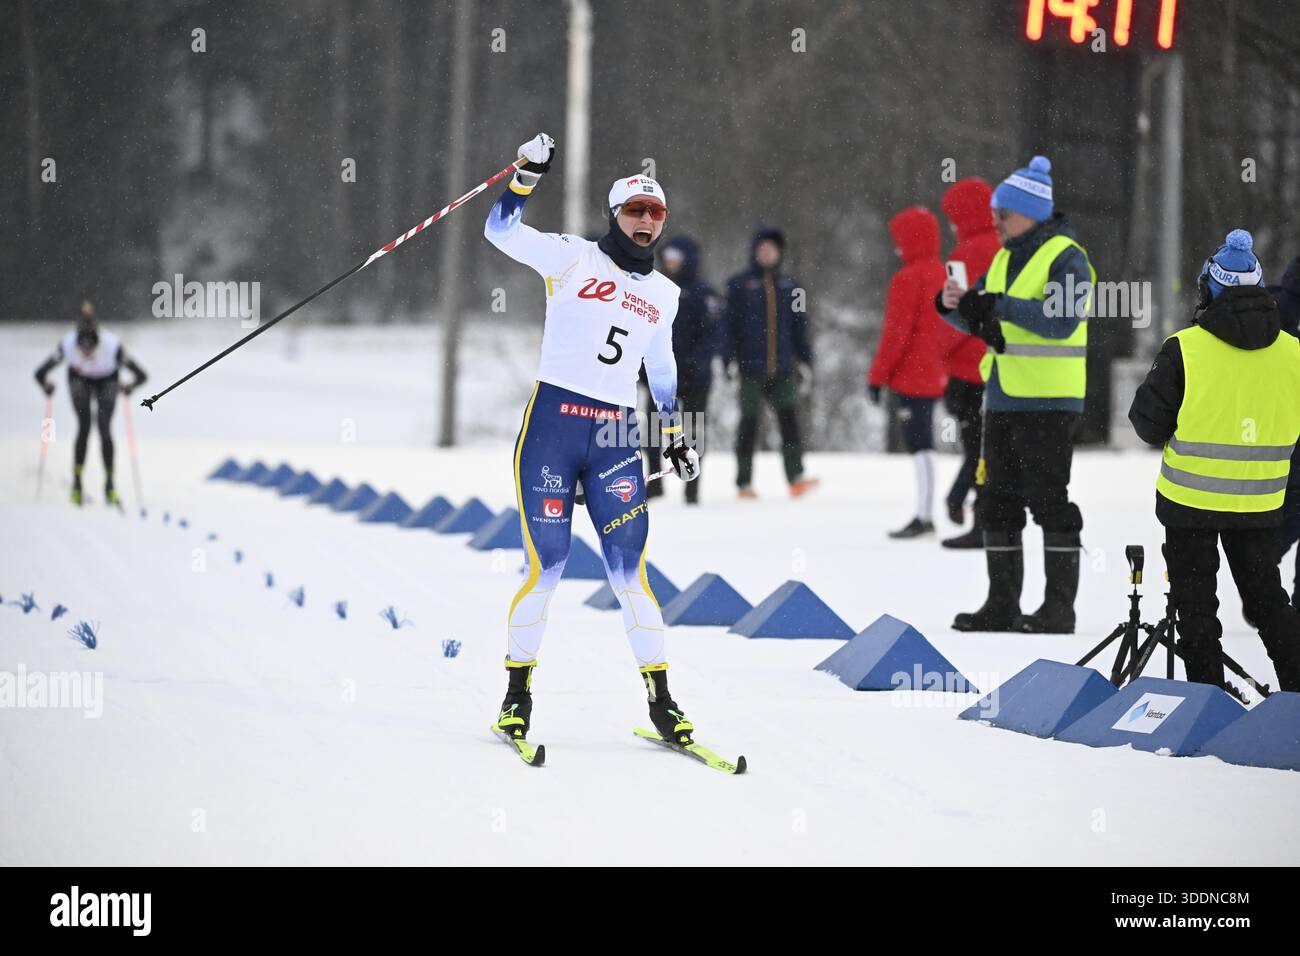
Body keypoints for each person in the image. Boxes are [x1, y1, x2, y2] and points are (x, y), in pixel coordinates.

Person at [483, 133, 701, 750]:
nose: (646, 222)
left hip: (614, 436)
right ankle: (516, 697)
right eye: (635, 211)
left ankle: (663, 703)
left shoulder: (665, 294)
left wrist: (675, 432)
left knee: (630, 574)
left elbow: (660, 370)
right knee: (548, 567)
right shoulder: (571, 258)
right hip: (552, 427)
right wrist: (526, 175)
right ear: (614, 215)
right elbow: (501, 231)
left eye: (656, 213)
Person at [1129, 229, 1300, 692]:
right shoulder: (1294, 353)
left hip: (1190, 503)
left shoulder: (1185, 349)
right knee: (1269, 601)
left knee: (1196, 607)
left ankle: (1207, 701)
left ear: (1209, 288)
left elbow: (1146, 424)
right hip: (1261, 504)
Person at [936, 156, 1094, 633]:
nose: (996, 222)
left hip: (1049, 401)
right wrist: (955, 307)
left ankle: (1057, 610)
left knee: (1049, 501)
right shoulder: (1004, 258)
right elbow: (983, 314)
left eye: (1002, 213)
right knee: (996, 502)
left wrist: (997, 305)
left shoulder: (1068, 257)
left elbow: (1061, 319)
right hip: (1003, 397)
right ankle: (1001, 605)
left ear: (1029, 212)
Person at [867, 206, 948, 538]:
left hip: (911, 374)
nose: (897, 248)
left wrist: (877, 376)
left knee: (919, 444)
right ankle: (925, 512)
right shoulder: (944, 274)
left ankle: (924, 515)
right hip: (935, 370)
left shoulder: (908, 278)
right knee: (925, 442)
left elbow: (896, 333)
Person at [723, 227, 818, 499]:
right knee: (748, 425)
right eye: (762, 248)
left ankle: (796, 477)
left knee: (789, 423)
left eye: (772, 248)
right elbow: (728, 327)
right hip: (750, 369)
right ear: (755, 251)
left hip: (784, 369)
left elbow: (801, 326)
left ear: (779, 253)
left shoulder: (793, 288)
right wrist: (728, 360)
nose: (767, 253)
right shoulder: (738, 285)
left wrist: (806, 361)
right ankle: (744, 483)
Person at [937, 177, 1003, 550]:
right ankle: (985, 516)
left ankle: (978, 521)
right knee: (990, 447)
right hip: (998, 363)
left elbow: (953, 313)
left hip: (966, 369)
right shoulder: (1005, 248)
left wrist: (940, 355)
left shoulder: (962, 256)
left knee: (974, 448)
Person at [34, 301, 148, 507]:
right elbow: (39, 373)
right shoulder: (67, 344)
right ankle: (77, 483)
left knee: (104, 427)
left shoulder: (112, 345)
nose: (86, 354)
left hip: (107, 379)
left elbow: (141, 375)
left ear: (98, 343)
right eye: (82, 350)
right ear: (76, 344)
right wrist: (46, 386)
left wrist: (128, 387)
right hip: (79, 379)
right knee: (84, 426)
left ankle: (110, 484)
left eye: (91, 349)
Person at [644, 234, 720, 504]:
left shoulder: (704, 293)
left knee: (694, 430)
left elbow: (713, 334)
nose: (671, 262)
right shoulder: (654, 287)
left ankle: (692, 488)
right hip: (661, 378)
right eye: (668, 257)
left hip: (695, 378)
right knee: (654, 429)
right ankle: (653, 486)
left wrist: (694, 364)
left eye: (676, 257)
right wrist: (645, 368)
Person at [1267, 254, 1300, 604]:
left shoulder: (1275, 308)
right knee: (1281, 526)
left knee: (1280, 527)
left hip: (1282, 436)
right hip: (1287, 439)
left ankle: (1262, 595)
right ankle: (1263, 595)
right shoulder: (1281, 310)